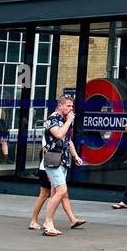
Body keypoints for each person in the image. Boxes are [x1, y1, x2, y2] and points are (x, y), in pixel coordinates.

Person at [31, 95, 86, 235]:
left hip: (64, 160)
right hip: (52, 159)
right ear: (60, 106)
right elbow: (59, 135)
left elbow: (68, 140)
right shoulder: (52, 119)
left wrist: (75, 156)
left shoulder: (66, 120)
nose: (71, 108)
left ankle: (51, 221)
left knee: (57, 192)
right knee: (60, 191)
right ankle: (47, 222)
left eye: (72, 106)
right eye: (68, 105)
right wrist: (69, 121)